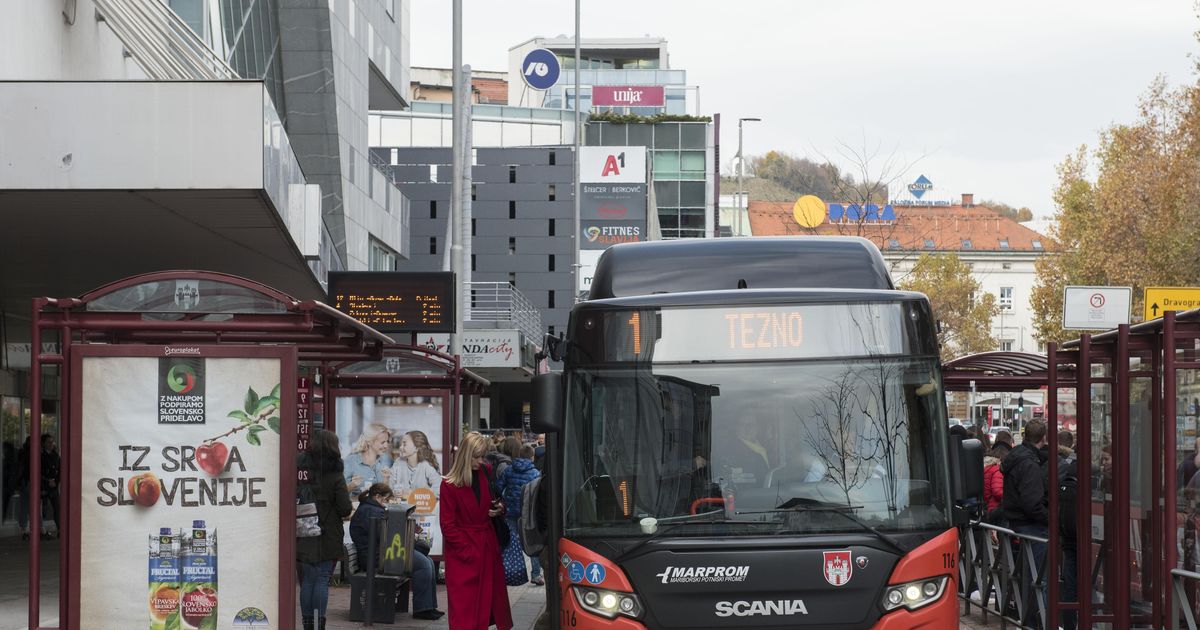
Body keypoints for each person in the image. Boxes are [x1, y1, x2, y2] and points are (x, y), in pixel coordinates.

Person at [440, 432, 513, 630]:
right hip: (464, 554)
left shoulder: (486, 471)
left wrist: (500, 508)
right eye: (477, 456)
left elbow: (498, 498)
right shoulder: (449, 485)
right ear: (465, 454)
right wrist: (467, 552)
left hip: (487, 546)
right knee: (464, 610)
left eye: (483, 456)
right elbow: (447, 525)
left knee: (488, 605)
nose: (481, 461)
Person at [350, 483, 444, 621]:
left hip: (382, 554)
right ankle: (423, 608)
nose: (387, 503)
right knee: (423, 564)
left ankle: (428, 607)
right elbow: (386, 536)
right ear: (377, 497)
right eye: (386, 500)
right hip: (377, 558)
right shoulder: (371, 511)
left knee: (427, 561)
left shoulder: (371, 508)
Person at [297, 430, 353, 630]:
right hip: (328, 533)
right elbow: (345, 508)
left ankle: (307, 624)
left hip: (303, 531)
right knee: (321, 579)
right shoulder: (335, 474)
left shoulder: (300, 470)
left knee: (308, 580)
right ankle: (320, 623)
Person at [1001, 419, 1049, 598]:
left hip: (1016, 521)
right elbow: (1032, 503)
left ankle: (1028, 620)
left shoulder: (1016, 456)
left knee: (1028, 576)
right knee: (1039, 579)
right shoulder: (1029, 463)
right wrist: (1051, 518)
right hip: (1031, 525)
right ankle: (1038, 622)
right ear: (1043, 438)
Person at [499, 440, 543, 585]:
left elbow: (499, 487)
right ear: (532, 457)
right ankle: (536, 574)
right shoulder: (535, 473)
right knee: (531, 541)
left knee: (511, 542)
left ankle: (509, 571)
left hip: (510, 511)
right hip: (527, 513)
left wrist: (505, 499)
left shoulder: (509, 470)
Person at [388, 430, 441, 499]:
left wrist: (413, 494)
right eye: (401, 444)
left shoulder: (425, 466)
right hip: (401, 508)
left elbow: (439, 489)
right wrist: (393, 491)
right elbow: (390, 486)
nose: (400, 447)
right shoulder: (398, 462)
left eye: (404, 444)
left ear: (416, 448)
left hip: (422, 508)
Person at [344, 423, 393, 496]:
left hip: (379, 506)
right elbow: (340, 494)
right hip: (356, 506)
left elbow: (389, 494)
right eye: (382, 442)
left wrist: (386, 480)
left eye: (387, 442)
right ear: (369, 441)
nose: (386, 446)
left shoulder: (387, 460)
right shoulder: (351, 461)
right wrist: (352, 485)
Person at [40, 434, 60, 537]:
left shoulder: (56, 455)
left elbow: (60, 470)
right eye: (48, 442)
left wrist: (56, 481)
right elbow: (38, 472)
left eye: (52, 442)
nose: (51, 444)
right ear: (43, 443)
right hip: (43, 486)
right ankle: (42, 530)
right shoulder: (40, 456)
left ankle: (60, 529)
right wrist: (47, 481)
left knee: (57, 507)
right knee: (43, 508)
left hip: (53, 486)